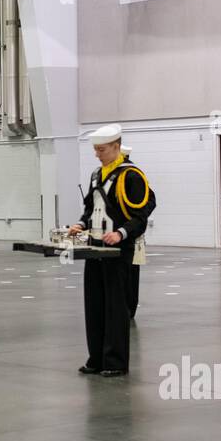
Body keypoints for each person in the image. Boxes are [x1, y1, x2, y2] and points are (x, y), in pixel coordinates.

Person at [68, 124, 156, 377]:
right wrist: (80, 224)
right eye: (95, 149)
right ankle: (96, 358)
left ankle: (115, 361)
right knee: (94, 303)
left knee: (115, 307)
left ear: (116, 147)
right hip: (95, 246)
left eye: (102, 149)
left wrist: (121, 233)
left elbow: (141, 215)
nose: (98, 154)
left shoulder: (131, 176)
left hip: (118, 250)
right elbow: (90, 208)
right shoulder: (97, 174)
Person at [120, 144, 145, 320]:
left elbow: (149, 202)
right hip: (118, 234)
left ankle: (128, 309)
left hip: (131, 235)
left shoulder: (132, 175)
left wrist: (133, 223)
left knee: (130, 273)